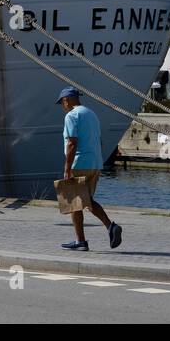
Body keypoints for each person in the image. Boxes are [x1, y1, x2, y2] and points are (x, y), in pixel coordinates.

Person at [57, 86, 122, 251]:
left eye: (62, 102)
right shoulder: (91, 114)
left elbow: (72, 143)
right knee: (86, 201)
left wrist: (67, 168)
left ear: (66, 100)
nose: (62, 106)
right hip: (95, 162)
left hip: (79, 163)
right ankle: (108, 228)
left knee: (74, 202)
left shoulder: (72, 116)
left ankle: (82, 240)